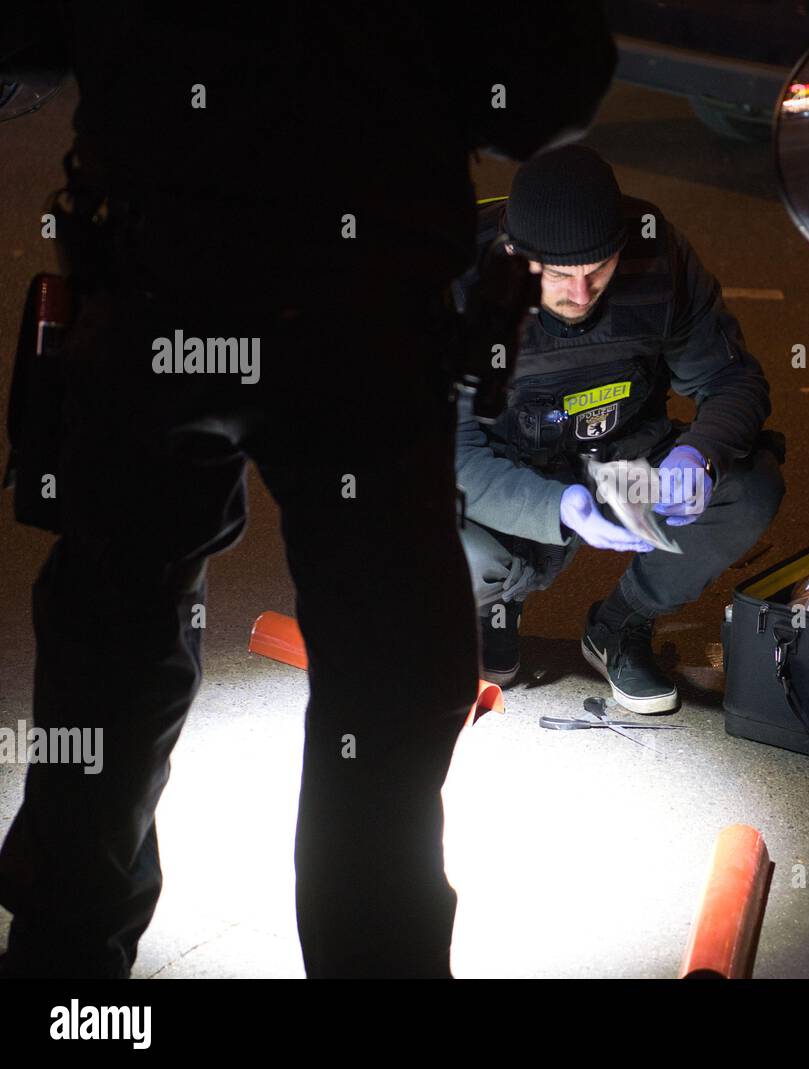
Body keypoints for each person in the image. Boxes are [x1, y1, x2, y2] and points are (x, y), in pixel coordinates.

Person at [0, 4, 615, 979]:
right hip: (361, 301)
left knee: (111, 639)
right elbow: (544, 87)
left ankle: (61, 976)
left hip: (158, 267)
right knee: (384, 667)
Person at [454, 146, 785, 714]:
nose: (580, 296)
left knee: (748, 485)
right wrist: (559, 507)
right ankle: (493, 609)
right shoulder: (460, 282)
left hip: (622, 457)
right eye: (558, 275)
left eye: (598, 270)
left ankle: (619, 625)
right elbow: (446, 451)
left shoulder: (658, 253)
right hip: (508, 466)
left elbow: (733, 380)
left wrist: (698, 456)